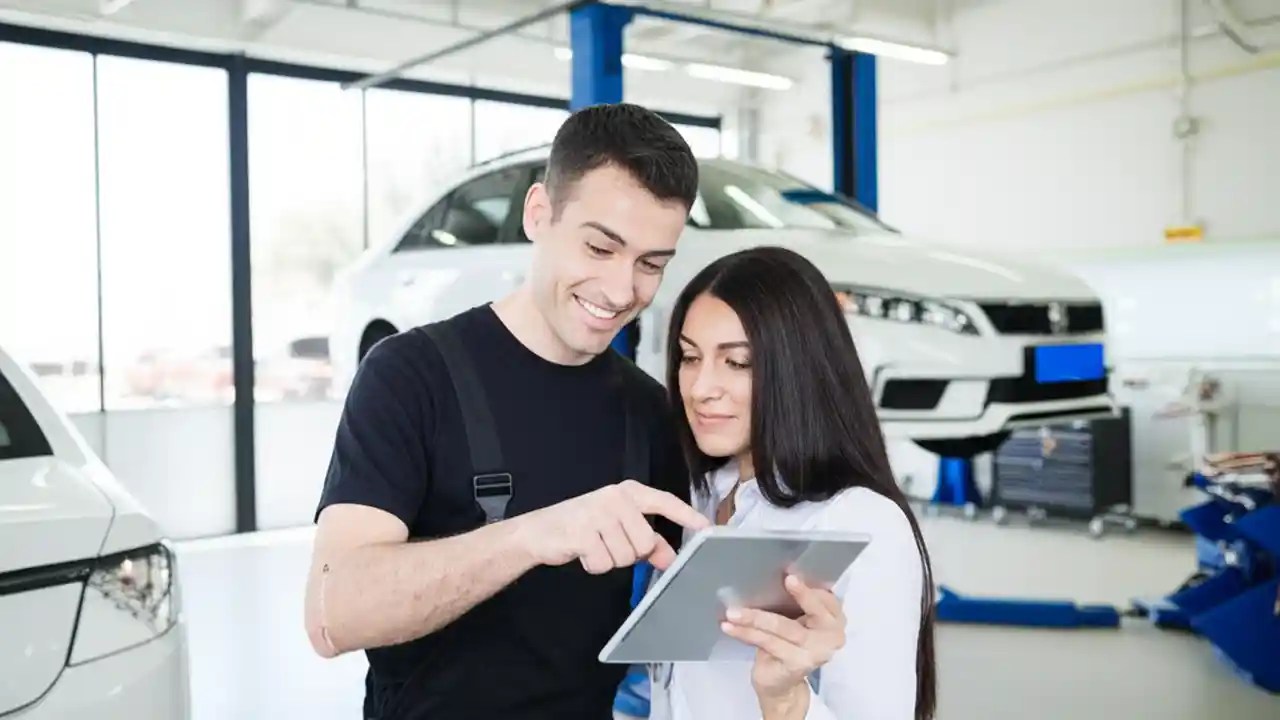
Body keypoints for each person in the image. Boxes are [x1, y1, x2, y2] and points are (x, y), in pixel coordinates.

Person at [302, 103, 717, 720]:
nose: (622, 289)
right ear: (538, 214)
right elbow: (332, 618)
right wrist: (533, 534)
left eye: (651, 264)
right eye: (600, 248)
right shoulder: (409, 376)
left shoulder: (648, 411)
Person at [648, 246, 938, 720]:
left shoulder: (862, 522)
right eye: (689, 357)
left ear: (798, 369)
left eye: (737, 363)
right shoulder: (702, 494)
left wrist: (787, 703)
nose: (700, 388)